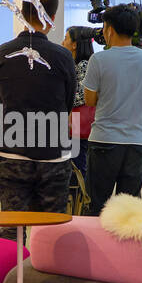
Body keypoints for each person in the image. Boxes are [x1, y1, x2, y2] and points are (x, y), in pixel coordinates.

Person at [0, 0, 76, 235]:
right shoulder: (62, 56)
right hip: (53, 155)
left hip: (12, 152)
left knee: (11, 227)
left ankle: (11, 273)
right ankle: (47, 273)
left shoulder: (2, 54)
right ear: (52, 17)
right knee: (51, 229)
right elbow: (68, 102)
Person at [82, 4, 142, 215]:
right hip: (136, 144)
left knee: (98, 204)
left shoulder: (98, 60)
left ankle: (98, 247)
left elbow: (89, 100)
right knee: (129, 210)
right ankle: (124, 249)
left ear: (109, 29)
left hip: (103, 142)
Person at [62, 25, 96, 177]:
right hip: (76, 122)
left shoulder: (83, 65)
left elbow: (81, 96)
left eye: (66, 38)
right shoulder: (79, 64)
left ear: (75, 45)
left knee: (76, 166)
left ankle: (79, 198)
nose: (63, 42)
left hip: (76, 122)